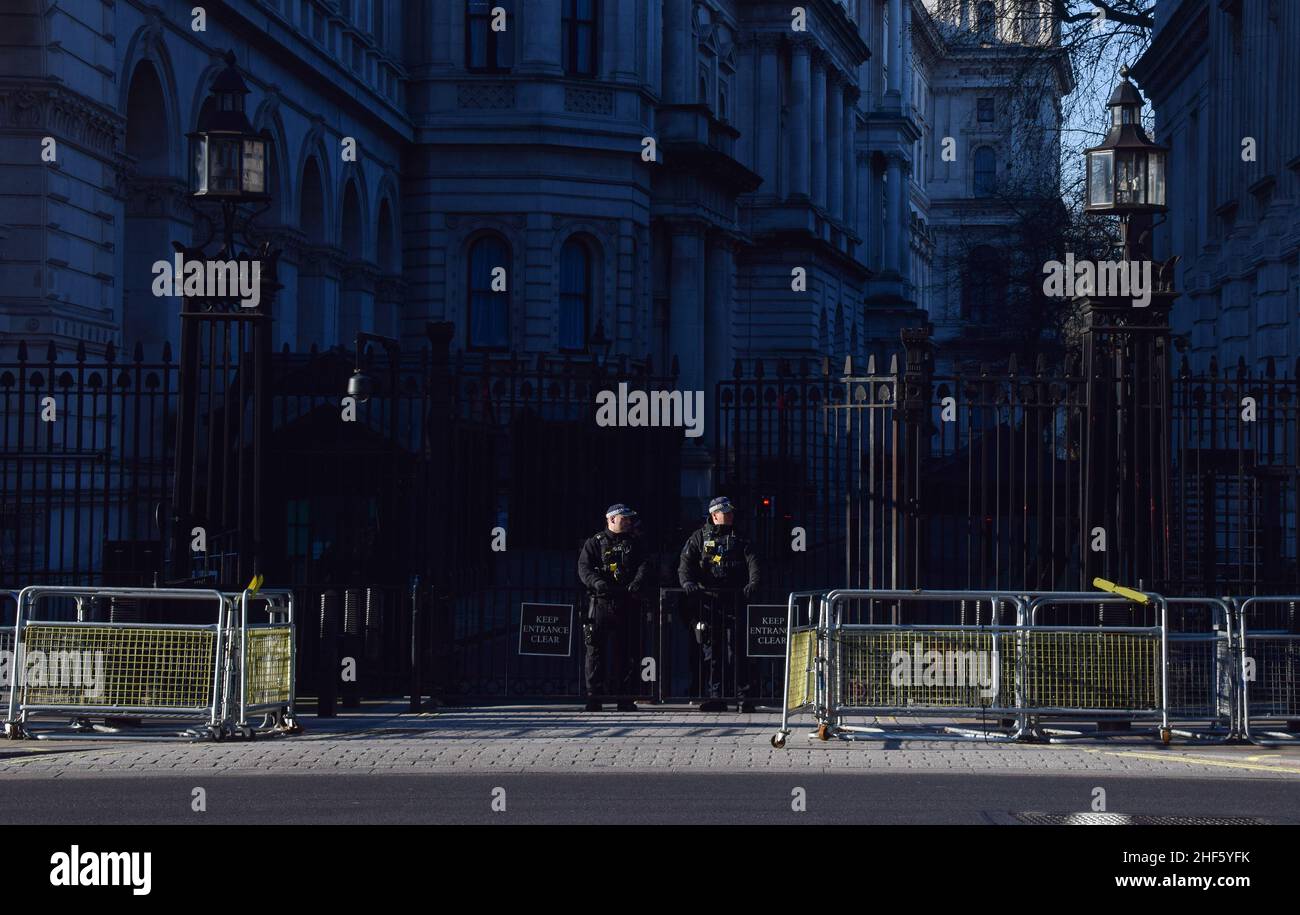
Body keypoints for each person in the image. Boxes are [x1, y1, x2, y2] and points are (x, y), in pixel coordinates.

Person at [678, 496, 761, 712]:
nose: (731, 515)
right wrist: (688, 582)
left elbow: (753, 561)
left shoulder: (740, 537)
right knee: (712, 652)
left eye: (731, 512)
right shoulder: (699, 538)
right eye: (726, 512)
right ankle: (717, 696)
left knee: (738, 650)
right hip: (709, 602)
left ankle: (744, 697)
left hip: (735, 600)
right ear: (715, 515)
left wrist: (753, 583)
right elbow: (685, 564)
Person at [577, 504, 650, 712]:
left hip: (627, 603)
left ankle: (624, 697)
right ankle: (594, 697)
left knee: (626, 652)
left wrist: (638, 581)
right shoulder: (595, 542)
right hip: (600, 603)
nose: (628, 522)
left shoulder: (635, 543)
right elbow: (584, 567)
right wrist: (596, 581)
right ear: (610, 519)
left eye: (629, 519)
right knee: (595, 652)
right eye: (623, 519)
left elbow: (644, 564)